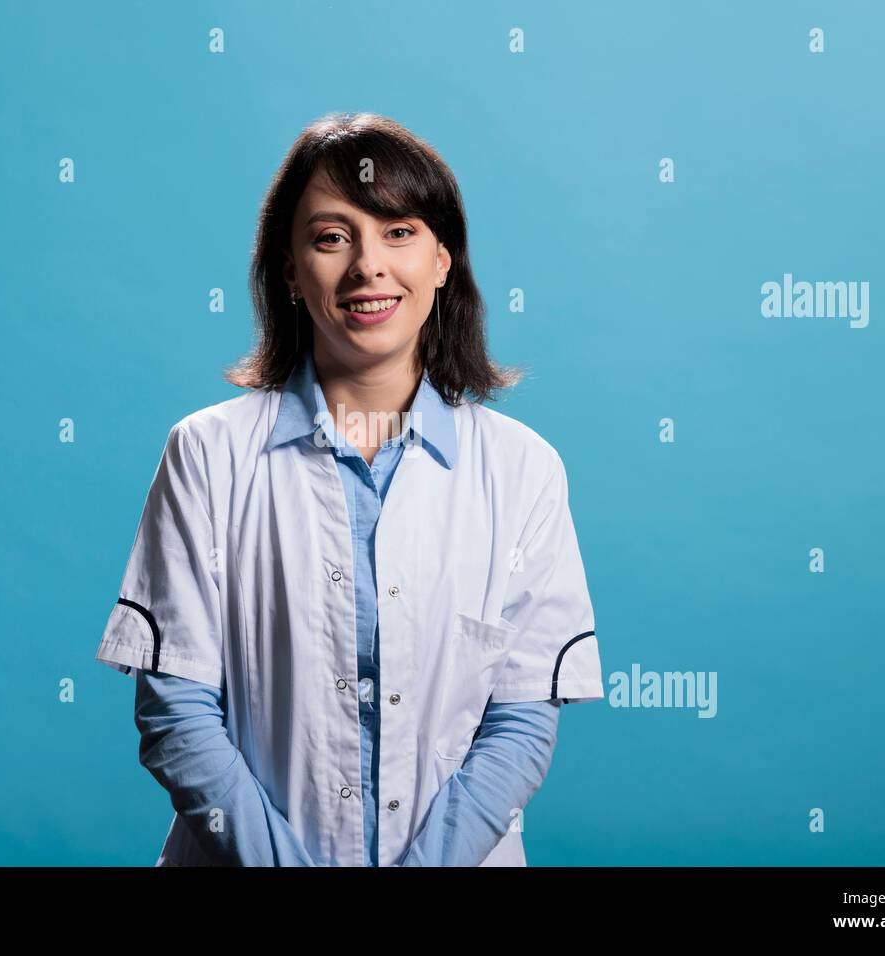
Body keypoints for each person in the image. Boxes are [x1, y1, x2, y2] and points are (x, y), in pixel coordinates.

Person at [95, 112, 603, 866]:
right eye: (332, 237)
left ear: (443, 259)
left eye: (399, 231)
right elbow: (176, 712)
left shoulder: (523, 470)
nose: (368, 265)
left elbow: (522, 717)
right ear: (291, 272)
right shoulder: (206, 454)